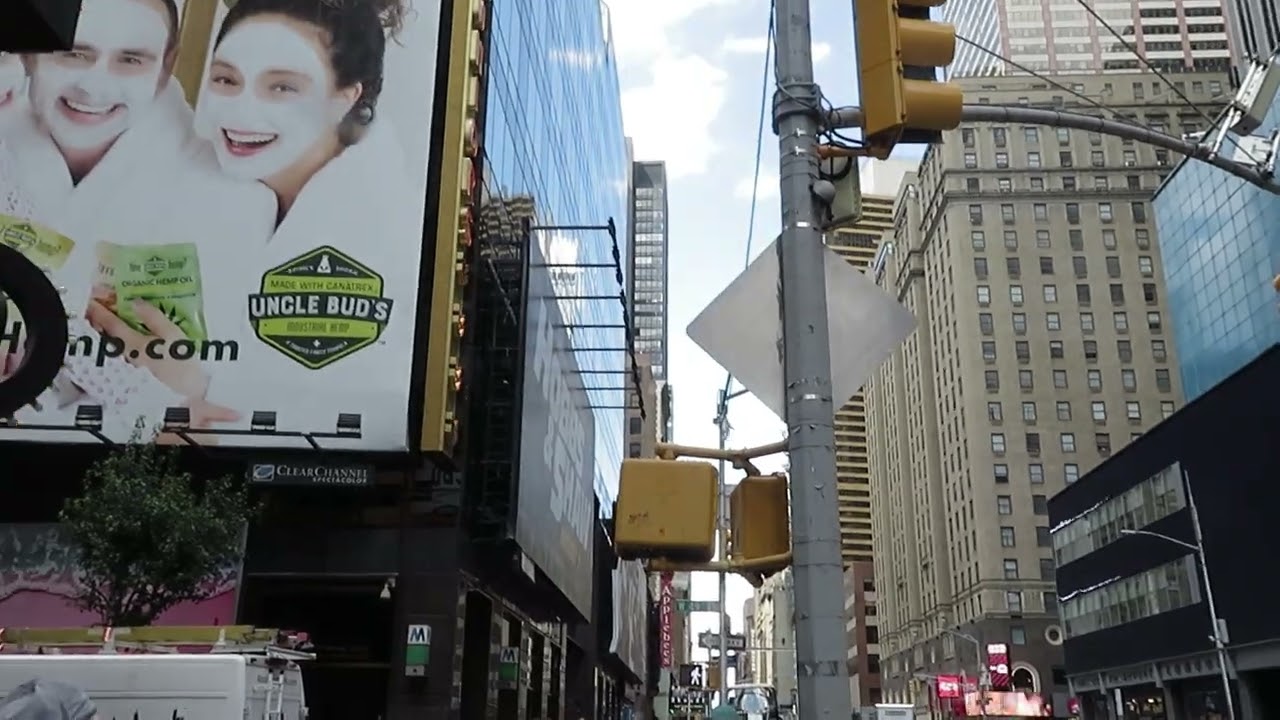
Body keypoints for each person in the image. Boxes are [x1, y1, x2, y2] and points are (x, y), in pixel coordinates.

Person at [0, 0, 278, 439]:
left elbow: (248, 402)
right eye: (75, 53)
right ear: (30, 54)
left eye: (130, 59)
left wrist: (180, 393)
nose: (94, 86)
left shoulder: (235, 203)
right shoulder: (8, 158)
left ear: (167, 65)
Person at [191, 0, 425, 443]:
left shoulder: (390, 230)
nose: (241, 112)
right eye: (226, 79)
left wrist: (194, 390)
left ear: (345, 97)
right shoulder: (187, 178)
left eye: (282, 88)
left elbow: (371, 412)